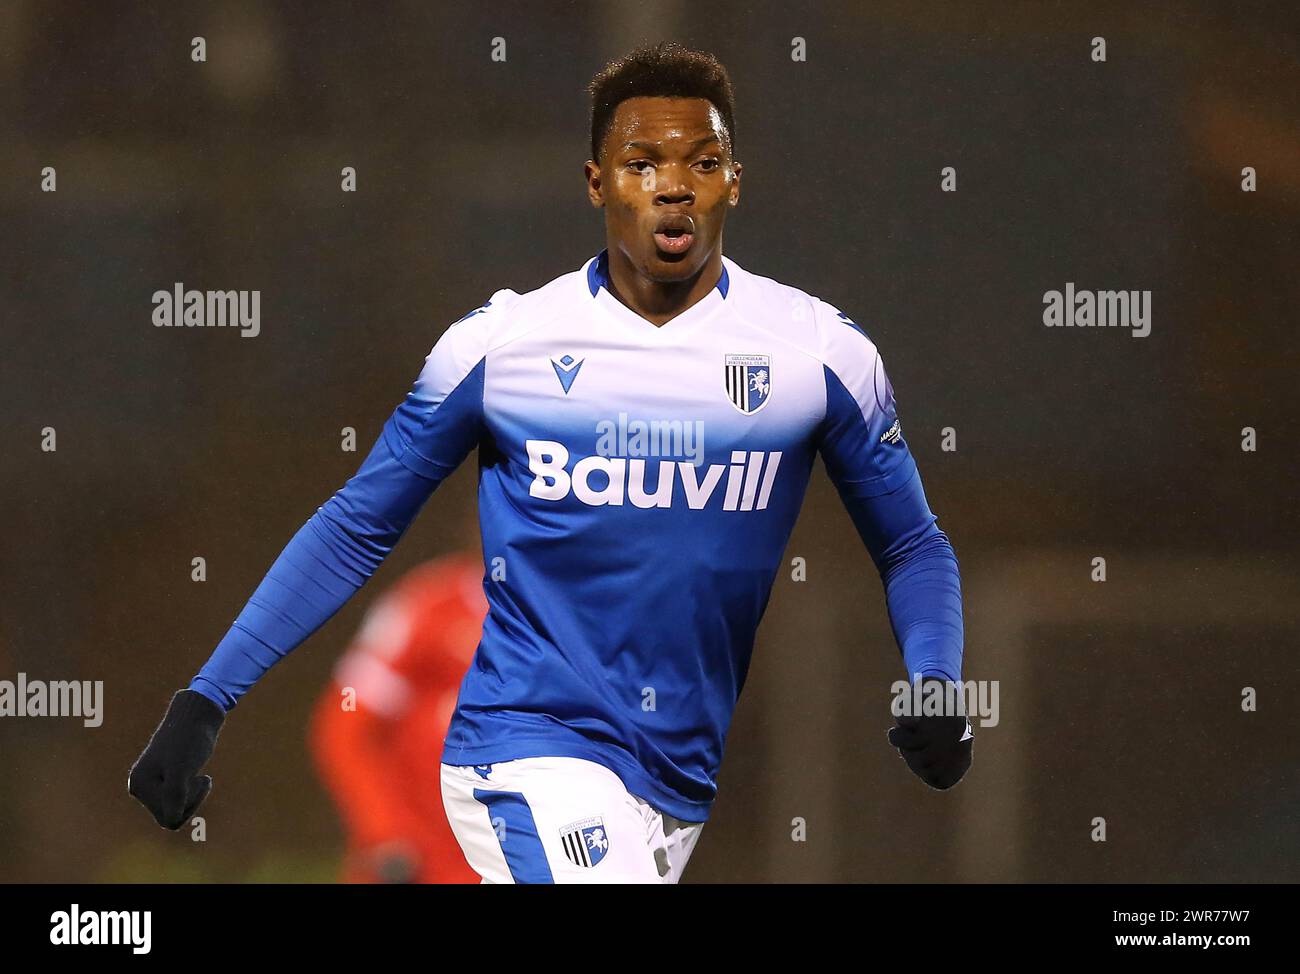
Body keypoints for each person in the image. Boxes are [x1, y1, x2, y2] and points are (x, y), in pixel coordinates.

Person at [130, 41, 971, 884]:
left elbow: (912, 545)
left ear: (732, 183)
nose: (674, 185)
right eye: (642, 163)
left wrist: (935, 679)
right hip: (526, 750)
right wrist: (206, 699)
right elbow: (356, 524)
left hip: (678, 780)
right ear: (598, 183)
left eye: (702, 162)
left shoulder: (818, 354)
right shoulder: (500, 348)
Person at [309, 552, 485, 884]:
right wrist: (384, 831)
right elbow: (344, 728)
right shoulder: (429, 605)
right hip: (420, 864)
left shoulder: (579, 620)